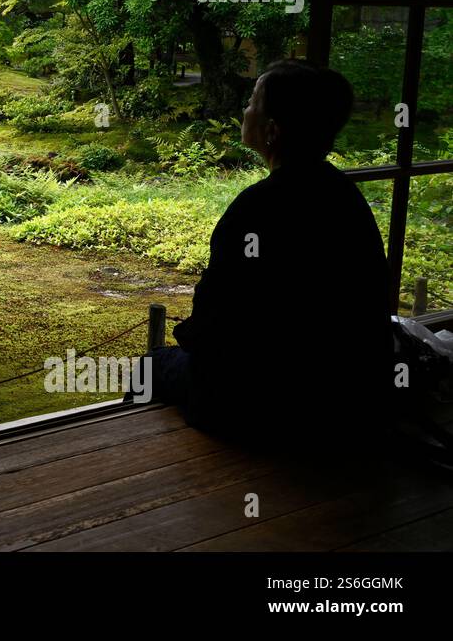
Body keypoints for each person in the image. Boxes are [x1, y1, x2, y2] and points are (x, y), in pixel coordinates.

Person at [143, 59, 394, 446]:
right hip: (345, 396)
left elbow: (213, 319)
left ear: (272, 130)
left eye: (252, 103)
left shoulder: (257, 206)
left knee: (149, 366)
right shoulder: (344, 196)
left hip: (260, 403)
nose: (244, 110)